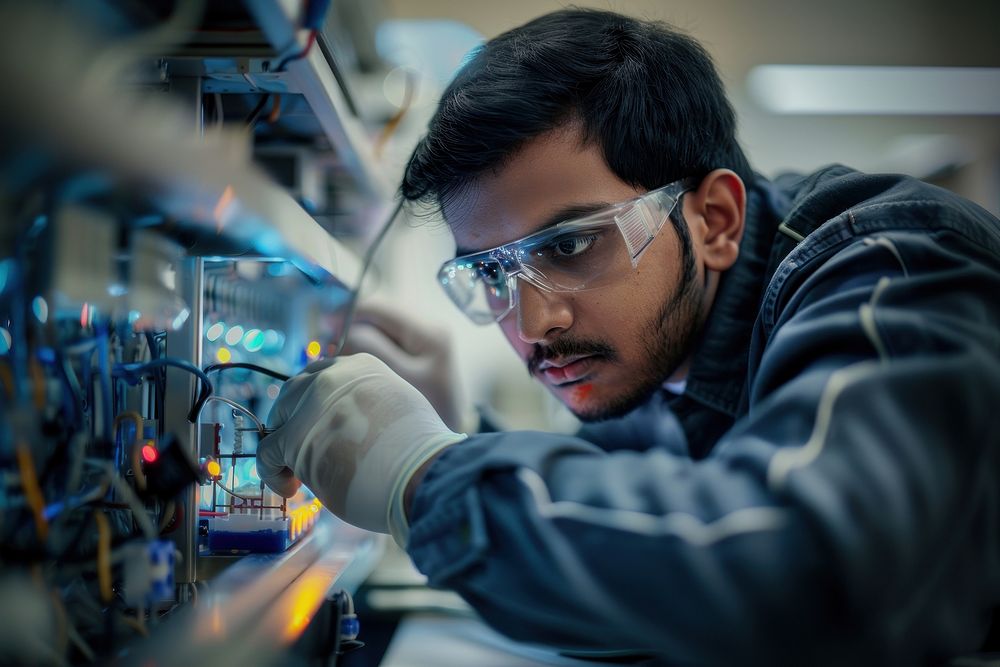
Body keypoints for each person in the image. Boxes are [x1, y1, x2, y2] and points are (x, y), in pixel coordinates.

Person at [256, 8, 1000, 665]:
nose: (533, 323)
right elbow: (633, 550)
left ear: (715, 221)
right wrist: (456, 434)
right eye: (490, 273)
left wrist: (422, 475)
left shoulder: (893, 259)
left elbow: (820, 576)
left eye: (571, 245)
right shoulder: (656, 356)